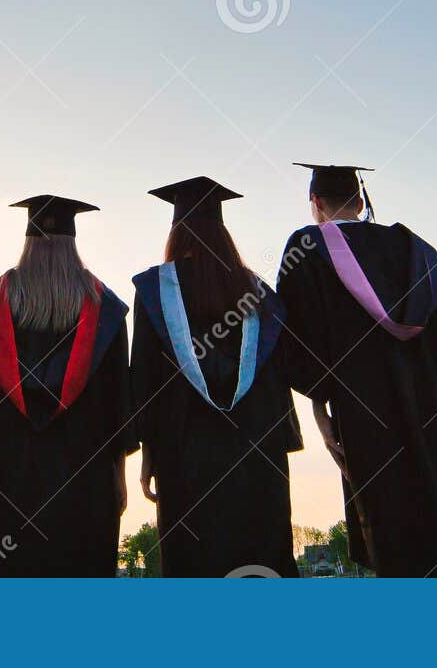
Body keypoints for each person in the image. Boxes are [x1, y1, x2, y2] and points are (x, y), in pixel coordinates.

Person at [278, 163, 437, 577]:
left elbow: (295, 342)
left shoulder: (306, 247)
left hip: (366, 415)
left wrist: (320, 409)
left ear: (315, 203)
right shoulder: (418, 248)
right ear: (361, 202)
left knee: (393, 527)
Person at [0, 195, 133, 577]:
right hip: (85, 483)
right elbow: (117, 403)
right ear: (74, 240)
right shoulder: (107, 310)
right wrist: (117, 475)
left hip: (6, 480)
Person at [131, 177, 300, 577]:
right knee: (259, 562)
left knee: (195, 564)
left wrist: (148, 456)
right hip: (257, 456)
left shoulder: (156, 290)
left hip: (184, 458)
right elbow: (278, 380)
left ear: (176, 232)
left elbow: (144, 381)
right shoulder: (258, 294)